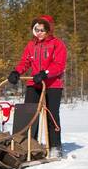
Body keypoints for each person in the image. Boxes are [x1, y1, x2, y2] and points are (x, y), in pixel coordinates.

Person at [7, 14, 67, 158]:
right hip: (34, 82)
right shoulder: (31, 45)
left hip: (52, 84)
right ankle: (28, 145)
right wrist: (16, 71)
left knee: (51, 114)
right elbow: (25, 62)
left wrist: (45, 73)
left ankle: (55, 147)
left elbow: (59, 65)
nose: (39, 32)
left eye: (42, 30)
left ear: (48, 30)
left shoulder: (57, 44)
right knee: (29, 114)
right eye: (36, 29)